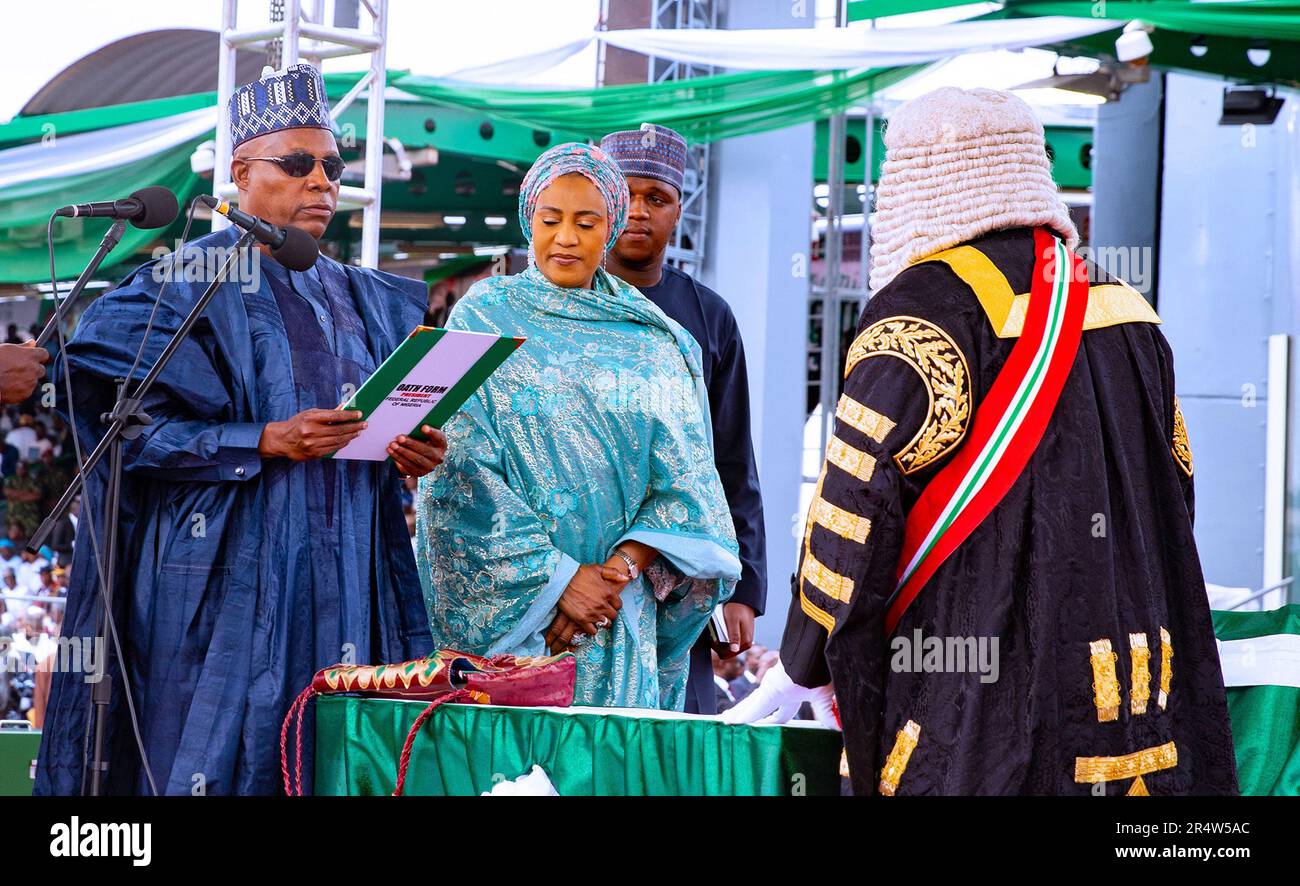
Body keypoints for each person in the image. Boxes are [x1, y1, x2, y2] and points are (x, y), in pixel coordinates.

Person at [727, 87, 1238, 796]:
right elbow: (1176, 489)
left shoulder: (917, 314)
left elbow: (851, 526)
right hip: (1139, 694)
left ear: (913, 181)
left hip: (975, 703)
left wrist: (804, 657)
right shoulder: (1129, 309)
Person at [36, 64, 446, 796]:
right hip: (219, 583)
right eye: (297, 164)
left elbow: (379, 425)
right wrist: (262, 440)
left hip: (350, 576)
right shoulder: (175, 285)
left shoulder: (362, 296)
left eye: (332, 167)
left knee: (332, 758)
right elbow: (123, 432)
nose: (321, 182)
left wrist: (407, 448)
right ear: (240, 174)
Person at [417, 142, 740, 710]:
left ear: (609, 228)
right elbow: (457, 473)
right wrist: (559, 580)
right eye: (551, 220)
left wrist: (613, 574)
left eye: (586, 223)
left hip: (617, 610)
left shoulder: (656, 340)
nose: (566, 237)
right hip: (515, 622)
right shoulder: (481, 318)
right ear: (528, 222)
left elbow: (688, 484)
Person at [600, 124, 767, 715]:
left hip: (678, 573)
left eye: (657, 198)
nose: (638, 211)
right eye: (624, 194)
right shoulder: (549, 304)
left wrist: (745, 585)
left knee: (674, 739)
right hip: (577, 567)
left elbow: (732, 459)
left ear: (678, 211)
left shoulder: (709, 316)